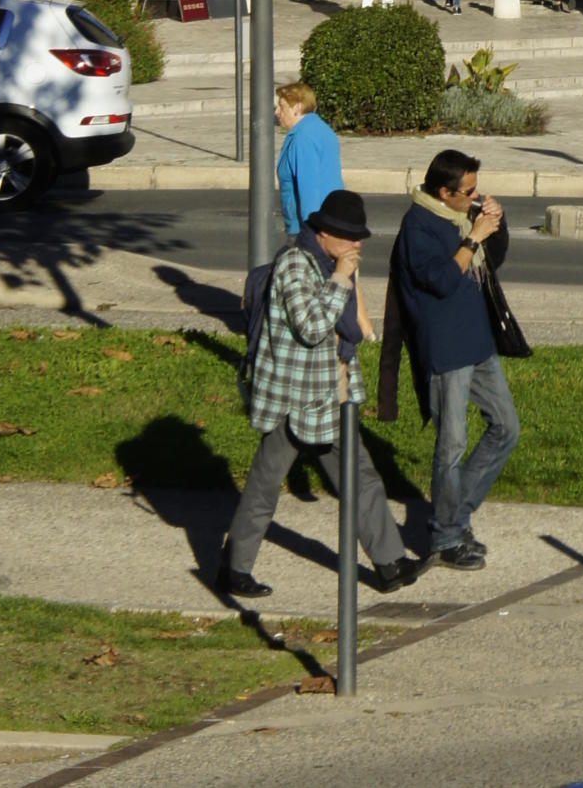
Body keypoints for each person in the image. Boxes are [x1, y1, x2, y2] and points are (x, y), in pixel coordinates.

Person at [216, 188, 414, 599]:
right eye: (349, 235)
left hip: (332, 396)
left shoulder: (330, 261)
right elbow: (312, 325)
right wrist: (342, 277)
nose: (357, 244)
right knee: (266, 483)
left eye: (360, 237)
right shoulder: (296, 264)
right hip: (294, 398)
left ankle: (390, 563)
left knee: (361, 476)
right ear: (323, 231)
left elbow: (347, 329)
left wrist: (342, 275)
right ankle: (234, 569)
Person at [378, 148, 519, 570]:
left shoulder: (460, 216)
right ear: (444, 191)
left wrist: (497, 221)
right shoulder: (418, 225)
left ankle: (456, 516)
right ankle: (444, 538)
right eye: (469, 191)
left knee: (506, 427)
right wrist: (474, 235)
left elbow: (494, 257)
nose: (475, 197)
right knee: (451, 446)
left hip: (477, 341)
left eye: (478, 190)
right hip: (444, 349)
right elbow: (439, 280)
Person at [274, 81, 342, 237]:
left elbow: (309, 188)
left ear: (297, 107)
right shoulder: (320, 129)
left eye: (282, 106)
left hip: (308, 228)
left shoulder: (303, 138)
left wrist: (309, 233)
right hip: (330, 219)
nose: (277, 112)